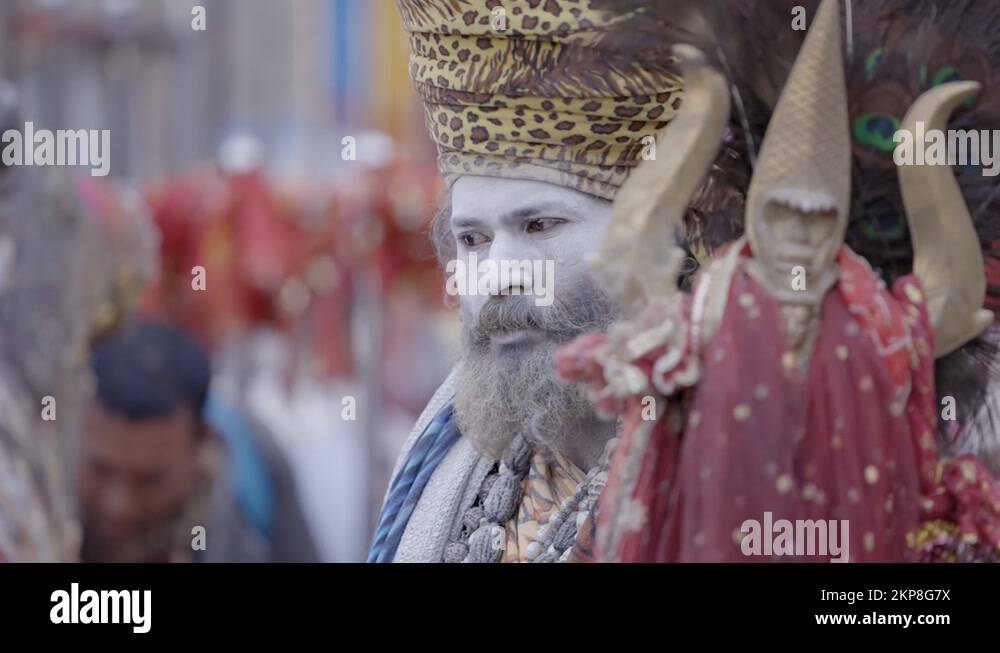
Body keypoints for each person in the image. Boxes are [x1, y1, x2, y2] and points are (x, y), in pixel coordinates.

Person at [557, 0, 1000, 562]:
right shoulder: (709, 310)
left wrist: (923, 147)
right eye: (783, 212)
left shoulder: (879, 325)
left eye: (815, 217)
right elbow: (633, 266)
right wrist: (703, 112)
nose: (798, 233)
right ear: (758, 209)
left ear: (838, 221)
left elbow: (951, 302)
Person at [368, 0, 701, 563]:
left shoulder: (739, 460)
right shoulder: (441, 448)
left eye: (540, 225)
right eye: (472, 240)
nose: (499, 275)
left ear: (663, 238)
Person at [79, 320, 319, 563]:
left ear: (203, 443)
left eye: (149, 481)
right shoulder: (47, 498)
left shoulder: (258, 470)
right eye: (101, 471)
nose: (119, 506)